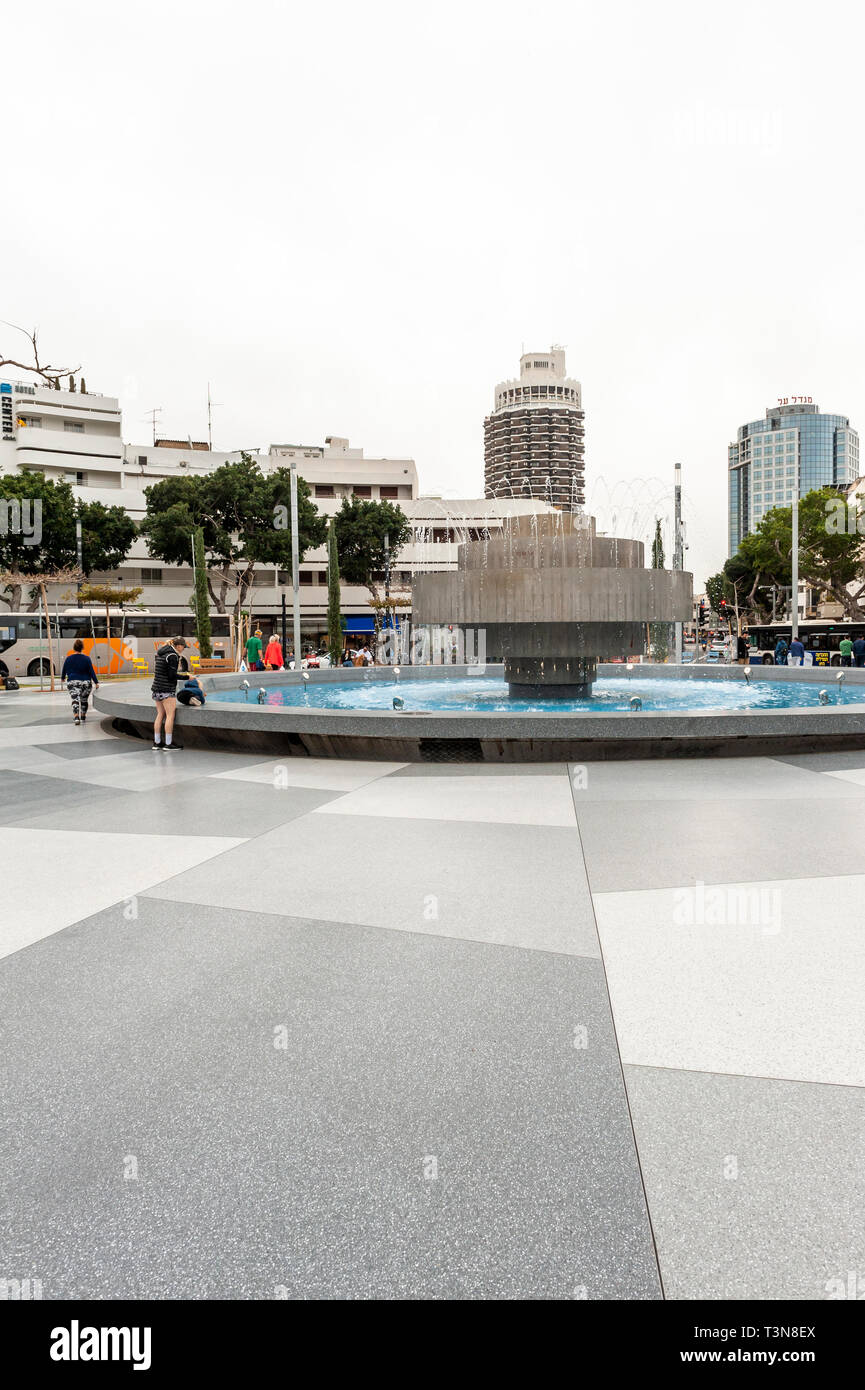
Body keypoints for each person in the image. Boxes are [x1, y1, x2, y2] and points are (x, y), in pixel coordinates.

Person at [151, 635, 189, 750]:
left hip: (156, 688)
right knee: (170, 716)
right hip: (167, 690)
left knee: (160, 715)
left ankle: (157, 743)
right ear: (178, 646)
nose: (183, 649)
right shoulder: (172, 656)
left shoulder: (161, 653)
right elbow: (172, 676)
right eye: (183, 647)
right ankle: (168, 743)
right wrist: (187, 677)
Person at [60, 638, 100, 725]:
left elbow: (64, 669)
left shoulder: (68, 658)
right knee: (84, 700)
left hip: (73, 682)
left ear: (74, 648)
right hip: (86, 682)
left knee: (75, 699)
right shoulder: (87, 659)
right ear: (82, 648)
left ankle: (76, 717)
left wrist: (63, 677)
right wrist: (96, 682)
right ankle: (83, 716)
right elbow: (91, 671)